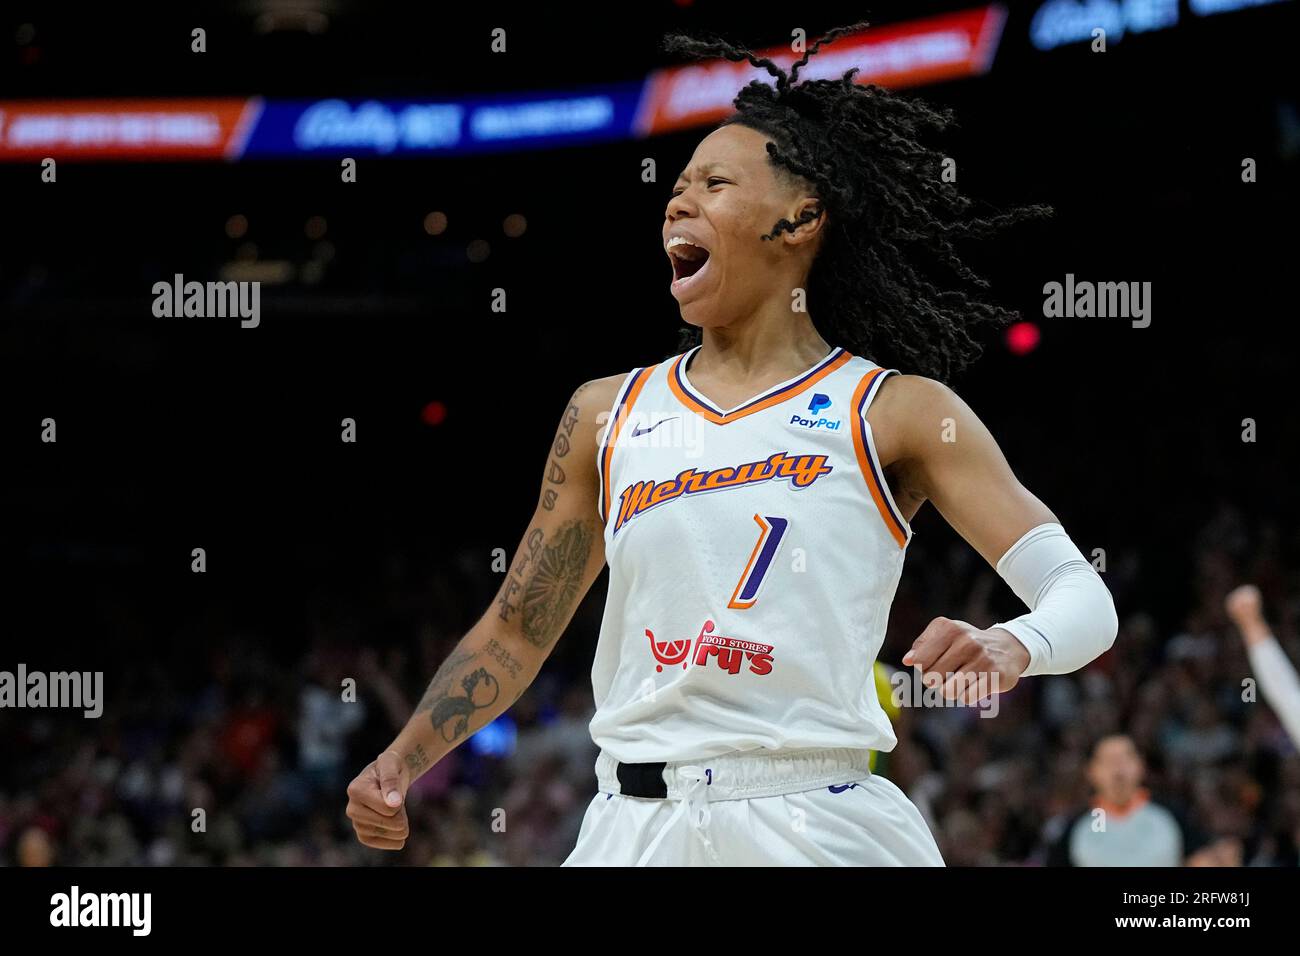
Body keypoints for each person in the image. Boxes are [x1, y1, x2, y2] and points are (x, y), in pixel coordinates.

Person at [344, 24, 1118, 866]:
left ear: (801, 219)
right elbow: (519, 629)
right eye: (676, 188)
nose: (678, 203)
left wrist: (1016, 643)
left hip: (818, 819)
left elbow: (1083, 597)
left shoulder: (893, 411)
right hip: (631, 825)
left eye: (714, 184)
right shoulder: (606, 413)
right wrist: (402, 759)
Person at [1063, 735, 1183, 867]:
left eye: (1125, 759)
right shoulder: (1073, 826)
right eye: (1108, 761)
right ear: (1091, 771)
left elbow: (1201, 857)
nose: (1118, 768)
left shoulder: (1172, 815)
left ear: (1141, 765)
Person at [1225, 584, 1300, 747]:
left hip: (1264, 697)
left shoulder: (1248, 678)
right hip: (1256, 704)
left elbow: (1284, 693)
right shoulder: (1245, 679)